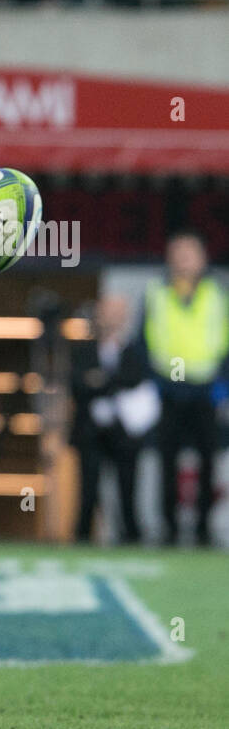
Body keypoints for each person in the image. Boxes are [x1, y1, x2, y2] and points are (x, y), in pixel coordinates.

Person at [139, 231, 229, 546]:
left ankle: (204, 528)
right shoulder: (157, 291)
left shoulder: (217, 291)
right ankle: (169, 528)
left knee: (208, 460)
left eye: (190, 253)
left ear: (203, 258)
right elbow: (144, 340)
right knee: (167, 459)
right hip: (170, 389)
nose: (183, 260)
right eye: (178, 253)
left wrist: (223, 385)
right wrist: (154, 383)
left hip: (206, 390)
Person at [69, 295, 154, 544]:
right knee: (88, 488)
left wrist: (101, 380)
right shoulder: (82, 350)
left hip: (124, 434)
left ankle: (131, 536)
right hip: (90, 433)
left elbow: (135, 380)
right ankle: (82, 536)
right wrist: (109, 382)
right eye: (107, 312)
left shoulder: (136, 351)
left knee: (128, 488)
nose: (112, 319)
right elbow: (78, 384)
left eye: (118, 313)